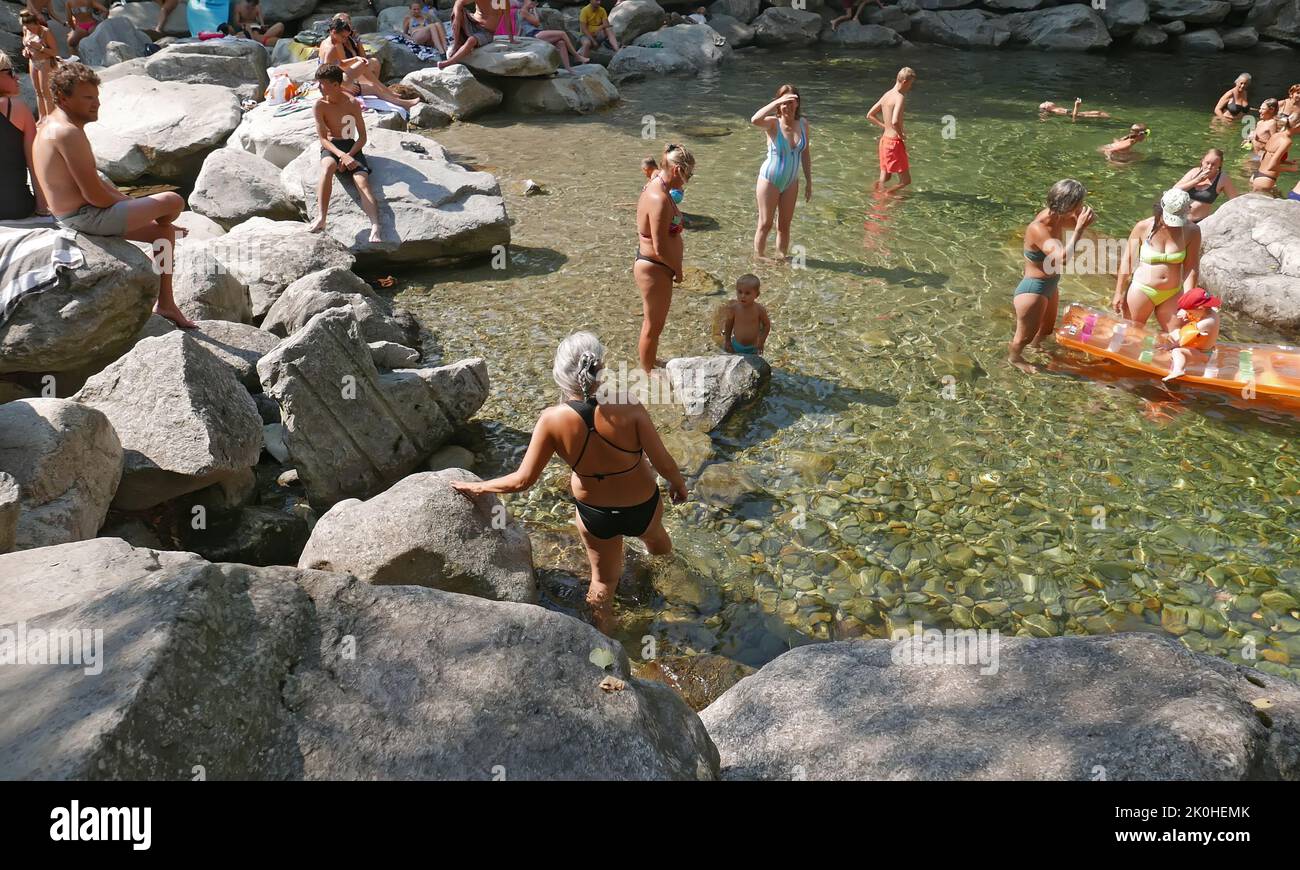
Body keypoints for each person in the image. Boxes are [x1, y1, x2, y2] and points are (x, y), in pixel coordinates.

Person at [448, 332, 688, 634]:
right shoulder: (628, 404)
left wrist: (480, 487)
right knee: (656, 541)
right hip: (642, 505)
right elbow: (664, 462)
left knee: (603, 581)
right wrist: (678, 484)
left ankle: (606, 640)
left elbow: (523, 480)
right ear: (601, 367)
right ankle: (679, 599)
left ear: (560, 375)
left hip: (595, 514)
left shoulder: (551, 419)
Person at [33, 63, 194, 327]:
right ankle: (166, 224)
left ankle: (165, 303)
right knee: (173, 201)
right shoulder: (67, 132)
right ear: (63, 97)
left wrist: (141, 210)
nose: (96, 104)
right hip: (84, 216)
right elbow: (95, 196)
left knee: (162, 235)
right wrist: (153, 211)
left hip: (77, 214)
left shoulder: (54, 123)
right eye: (87, 98)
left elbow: (96, 182)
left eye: (96, 97)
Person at [1008, 179, 1094, 374]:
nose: (1081, 206)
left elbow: (1082, 224)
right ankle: (1014, 358)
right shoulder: (1038, 227)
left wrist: (1083, 219)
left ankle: (1036, 348)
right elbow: (1062, 258)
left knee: (1046, 331)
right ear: (1068, 205)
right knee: (1023, 337)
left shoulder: (1060, 217)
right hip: (1034, 289)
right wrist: (1079, 229)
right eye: (1079, 203)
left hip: (1051, 284)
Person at [635, 144, 694, 374]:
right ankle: (648, 373)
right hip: (655, 268)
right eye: (689, 175)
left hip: (657, 267)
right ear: (678, 170)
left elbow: (654, 169)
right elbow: (660, 247)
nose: (688, 181)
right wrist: (678, 270)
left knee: (654, 324)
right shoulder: (659, 199)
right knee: (653, 326)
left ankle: (650, 360)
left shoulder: (658, 179)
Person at [308, 64, 382, 244]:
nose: (319, 87)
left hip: (351, 146)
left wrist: (350, 154)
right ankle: (322, 217)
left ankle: (375, 226)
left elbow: (363, 137)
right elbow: (323, 139)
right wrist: (342, 156)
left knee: (361, 180)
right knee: (328, 167)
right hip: (333, 146)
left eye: (322, 84)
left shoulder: (352, 103)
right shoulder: (320, 105)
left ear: (335, 85)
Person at [1113, 189, 1201, 332]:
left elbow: (1191, 268)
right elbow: (1127, 261)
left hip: (1172, 293)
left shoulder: (1192, 231)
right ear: (1161, 208)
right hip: (1142, 289)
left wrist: (1188, 301)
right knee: (1132, 334)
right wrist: (1118, 292)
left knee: (1176, 338)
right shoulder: (1143, 227)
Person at [751, 84, 811, 261]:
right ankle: (759, 258)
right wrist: (777, 101)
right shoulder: (772, 124)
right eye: (784, 102)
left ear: (798, 104)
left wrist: (809, 181)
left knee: (784, 225)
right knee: (765, 224)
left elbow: (806, 154)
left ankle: (780, 257)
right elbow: (754, 120)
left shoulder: (803, 124)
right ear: (779, 104)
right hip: (770, 179)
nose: (788, 106)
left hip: (791, 181)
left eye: (792, 101)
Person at [320, 16, 421, 110]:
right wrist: (344, 87)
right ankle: (401, 102)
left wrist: (355, 59)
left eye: (346, 37)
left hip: (338, 81)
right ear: (333, 32)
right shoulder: (331, 49)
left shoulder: (328, 42)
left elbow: (340, 63)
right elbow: (324, 76)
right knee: (373, 88)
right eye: (343, 37)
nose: (345, 40)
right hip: (335, 88)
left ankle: (390, 93)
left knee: (363, 65)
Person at [0, 50, 46, 218]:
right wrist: (42, 208)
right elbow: (35, 163)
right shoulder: (15, 107)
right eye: (11, 73)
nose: (17, 77)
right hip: (15, 206)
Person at [867, 66, 914, 192]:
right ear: (904, 82)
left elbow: (869, 115)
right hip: (894, 143)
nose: (910, 87)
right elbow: (895, 121)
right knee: (906, 181)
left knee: (885, 178)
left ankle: (876, 195)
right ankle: (887, 195)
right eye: (910, 84)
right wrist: (901, 135)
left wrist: (884, 126)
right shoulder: (899, 97)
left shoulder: (887, 95)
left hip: (884, 142)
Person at [1161, 287, 1220, 382]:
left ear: (1200, 308)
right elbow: (1197, 315)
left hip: (1203, 355)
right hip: (1209, 349)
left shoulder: (1205, 323)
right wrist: (1187, 312)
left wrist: (1170, 347)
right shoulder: (1211, 313)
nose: (1188, 314)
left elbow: (1183, 340)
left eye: (1189, 312)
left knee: (1177, 351)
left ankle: (1178, 370)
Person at [517, 0, 587, 69]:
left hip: (536, 33)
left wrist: (517, 37)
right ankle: (577, 56)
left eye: (535, 2)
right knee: (562, 34)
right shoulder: (524, 11)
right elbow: (537, 23)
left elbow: (522, 26)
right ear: (525, 1)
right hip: (533, 34)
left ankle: (568, 68)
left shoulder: (527, 12)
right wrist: (535, 11)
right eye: (531, 1)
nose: (533, 3)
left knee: (561, 43)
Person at [1172, 149, 1236, 222]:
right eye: (1207, 163)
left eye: (1213, 164)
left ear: (1220, 164)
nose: (1209, 167)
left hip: (1199, 222)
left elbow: (1234, 200)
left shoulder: (1222, 178)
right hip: (1178, 219)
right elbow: (1174, 190)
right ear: (1202, 161)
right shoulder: (1194, 172)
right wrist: (1197, 180)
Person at [438, 0, 505, 69]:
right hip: (474, 23)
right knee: (457, 12)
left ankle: (449, 62)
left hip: (486, 32)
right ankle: (456, 45)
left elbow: (507, 19)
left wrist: (511, 39)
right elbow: (458, 2)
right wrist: (457, 17)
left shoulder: (501, 2)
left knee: (471, 40)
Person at [19, 11, 58, 119]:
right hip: (32, 62)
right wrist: (25, 51)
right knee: (37, 91)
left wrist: (40, 47)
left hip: (45, 62)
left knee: (46, 92)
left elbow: (55, 52)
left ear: (37, 23)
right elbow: (25, 43)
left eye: (31, 28)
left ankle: (51, 118)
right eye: (27, 27)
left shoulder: (45, 32)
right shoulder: (25, 29)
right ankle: (42, 118)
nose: (29, 30)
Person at [722, 274, 770, 355]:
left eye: (747, 293)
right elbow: (729, 324)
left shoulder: (759, 310)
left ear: (756, 295)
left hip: (754, 346)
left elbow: (766, 325)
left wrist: (761, 341)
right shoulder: (734, 308)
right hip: (736, 345)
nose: (742, 296)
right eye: (739, 292)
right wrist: (727, 341)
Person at [1251, 112, 1298, 193]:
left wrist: (1288, 162)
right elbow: (1271, 166)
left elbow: (1265, 156)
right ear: (1298, 126)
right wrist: (1291, 169)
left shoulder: (1276, 135)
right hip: (1266, 180)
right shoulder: (1287, 141)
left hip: (1257, 176)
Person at [1250, 98, 1279, 162]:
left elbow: (1275, 143)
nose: (1259, 111)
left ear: (1271, 110)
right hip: (1255, 154)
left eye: (1263, 109)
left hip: (1263, 157)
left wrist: (1258, 139)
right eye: (1260, 108)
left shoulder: (1272, 123)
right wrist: (1249, 140)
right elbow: (1256, 138)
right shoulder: (1259, 122)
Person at [1038, 98, 1109, 120]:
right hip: (1080, 115)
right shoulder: (1057, 110)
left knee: (1099, 112)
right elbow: (1073, 116)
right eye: (1045, 102)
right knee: (1104, 116)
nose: (1046, 101)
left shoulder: (1057, 108)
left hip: (1081, 113)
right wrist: (1076, 106)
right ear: (1047, 107)